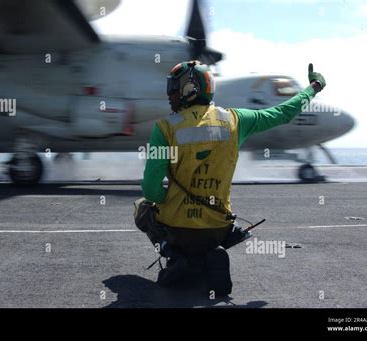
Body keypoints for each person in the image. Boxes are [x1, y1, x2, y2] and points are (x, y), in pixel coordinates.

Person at [139, 61, 326, 296]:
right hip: (218, 227)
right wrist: (313, 88)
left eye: (173, 88)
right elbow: (284, 113)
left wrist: (169, 201)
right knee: (213, 226)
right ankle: (208, 255)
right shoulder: (236, 120)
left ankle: (174, 255)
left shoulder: (164, 129)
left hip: (179, 229)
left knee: (142, 207)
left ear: (190, 90)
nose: (169, 95)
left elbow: (151, 190)